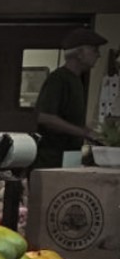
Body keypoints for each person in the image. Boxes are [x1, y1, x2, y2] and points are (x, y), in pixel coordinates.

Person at [34, 28, 108, 168]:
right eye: (94, 49)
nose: (98, 55)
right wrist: (84, 132)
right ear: (79, 53)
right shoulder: (58, 79)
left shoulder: (76, 80)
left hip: (69, 154)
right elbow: (45, 117)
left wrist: (90, 132)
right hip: (53, 157)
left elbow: (69, 118)